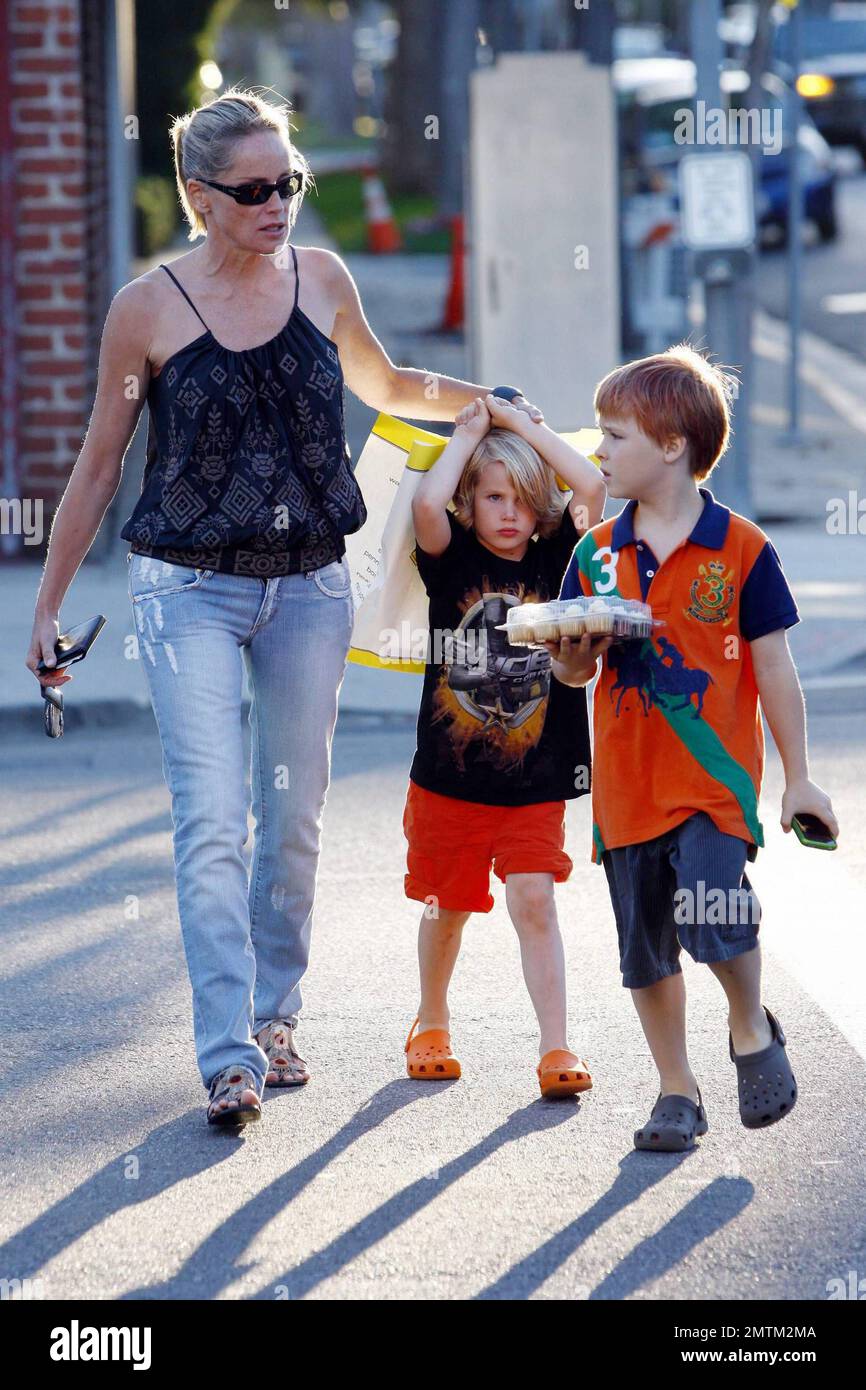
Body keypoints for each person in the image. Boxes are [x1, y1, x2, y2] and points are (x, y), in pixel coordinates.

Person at [24, 87, 545, 1128]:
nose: (278, 206)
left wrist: (483, 401)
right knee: (212, 820)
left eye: (289, 184)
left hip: (310, 583)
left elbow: (386, 382)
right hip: (187, 590)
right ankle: (227, 1056)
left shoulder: (322, 277)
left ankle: (275, 1016)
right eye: (253, 191)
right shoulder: (148, 308)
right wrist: (47, 604)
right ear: (199, 197)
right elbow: (98, 463)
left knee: (291, 818)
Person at [551, 343, 839, 1150]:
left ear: (671, 446)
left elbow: (775, 667)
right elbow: (574, 671)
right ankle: (677, 1091)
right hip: (626, 790)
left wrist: (800, 780)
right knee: (645, 953)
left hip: (714, 784)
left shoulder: (742, 548)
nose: (599, 450)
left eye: (614, 436)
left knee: (715, 911)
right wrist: (573, 656)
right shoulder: (594, 553)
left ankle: (749, 1025)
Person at [403, 392, 606, 1097]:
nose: (510, 512)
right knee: (446, 909)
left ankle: (556, 1046)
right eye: (494, 497)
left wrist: (524, 425)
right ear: (472, 502)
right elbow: (428, 506)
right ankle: (431, 1017)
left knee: (534, 901)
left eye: (522, 498)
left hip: (534, 780)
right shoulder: (450, 558)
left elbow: (591, 485)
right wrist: (466, 433)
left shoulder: (558, 557)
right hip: (450, 780)